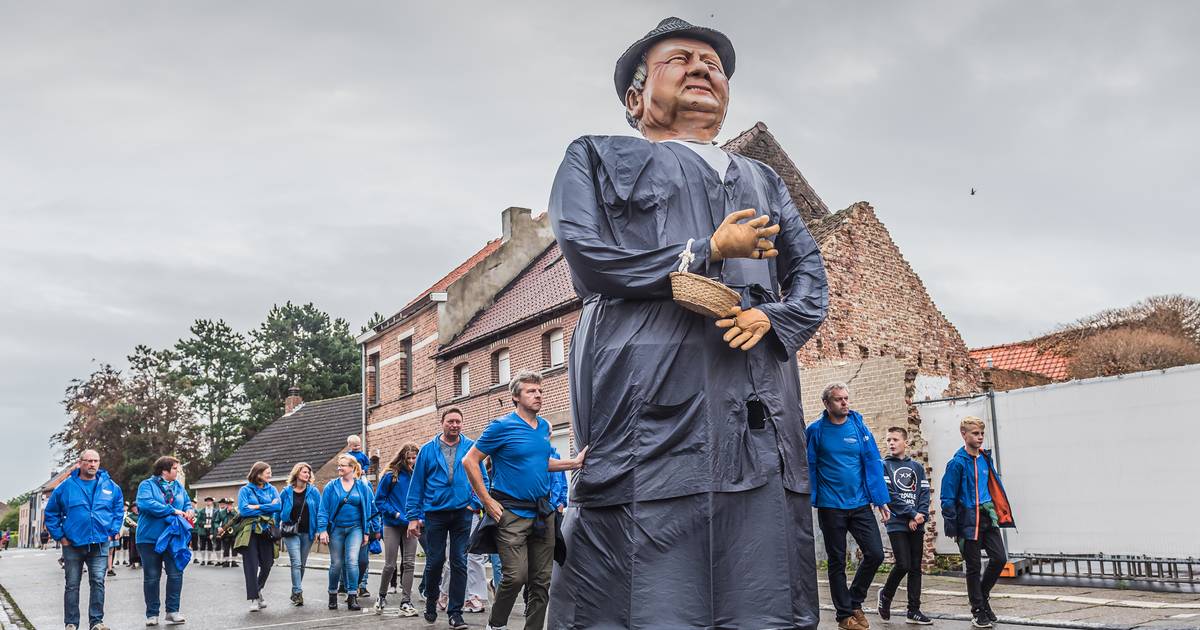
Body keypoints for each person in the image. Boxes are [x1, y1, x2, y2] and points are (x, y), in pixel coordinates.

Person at [545, 16, 828, 630]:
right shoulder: (594, 156)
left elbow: (811, 276)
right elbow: (589, 261)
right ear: (635, 97)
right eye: (681, 58)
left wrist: (774, 318)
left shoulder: (763, 179)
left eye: (715, 62)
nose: (704, 67)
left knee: (764, 589)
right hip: (645, 421)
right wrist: (705, 251)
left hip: (757, 425)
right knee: (639, 594)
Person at [464, 372, 586, 630]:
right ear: (515, 397)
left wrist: (573, 463)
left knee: (541, 582)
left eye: (540, 391)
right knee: (515, 576)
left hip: (543, 515)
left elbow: (541, 462)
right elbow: (470, 460)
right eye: (531, 391)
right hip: (511, 514)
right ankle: (496, 625)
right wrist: (486, 501)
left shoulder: (543, 427)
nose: (538, 395)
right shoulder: (501, 426)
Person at [807, 383, 891, 630]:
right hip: (830, 506)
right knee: (836, 561)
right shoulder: (815, 431)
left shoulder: (859, 427)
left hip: (860, 504)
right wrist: (807, 498)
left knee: (875, 553)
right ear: (827, 404)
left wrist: (880, 499)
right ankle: (844, 616)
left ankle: (854, 600)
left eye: (846, 398)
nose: (844, 403)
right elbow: (805, 465)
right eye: (838, 400)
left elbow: (873, 463)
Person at [405, 408, 490, 630]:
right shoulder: (427, 450)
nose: (454, 425)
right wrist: (413, 516)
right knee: (435, 562)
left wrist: (476, 504)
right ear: (442, 423)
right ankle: (432, 601)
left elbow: (483, 478)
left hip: (463, 512)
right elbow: (417, 485)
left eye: (458, 422)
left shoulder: (471, 447)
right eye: (450, 421)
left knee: (460, 561)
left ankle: (455, 613)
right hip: (435, 513)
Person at [941, 416, 1015, 629]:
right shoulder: (956, 463)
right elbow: (947, 497)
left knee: (1000, 558)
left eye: (982, 433)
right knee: (973, 567)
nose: (980, 437)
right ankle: (978, 610)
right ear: (964, 434)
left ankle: (982, 596)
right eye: (975, 433)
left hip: (987, 516)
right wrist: (952, 526)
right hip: (967, 520)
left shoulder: (985, 458)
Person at [43, 449, 124, 630]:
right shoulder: (66, 487)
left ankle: (96, 621)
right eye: (89, 461)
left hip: (100, 542)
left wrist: (113, 530)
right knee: (72, 584)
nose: (93, 464)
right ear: (80, 463)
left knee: (98, 582)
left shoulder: (110, 486)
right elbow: (51, 513)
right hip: (73, 543)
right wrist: (60, 537)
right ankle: (71, 623)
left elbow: (118, 510)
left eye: (96, 461)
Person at [877, 426, 932, 625]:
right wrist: (911, 513)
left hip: (916, 522)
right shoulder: (883, 465)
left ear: (905, 443)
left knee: (916, 566)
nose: (891, 443)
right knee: (903, 564)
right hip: (896, 522)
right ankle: (886, 595)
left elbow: (924, 493)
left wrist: (920, 515)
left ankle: (913, 610)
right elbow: (889, 495)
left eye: (895, 439)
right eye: (888, 439)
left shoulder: (917, 467)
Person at [136, 455, 193, 626]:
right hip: (149, 538)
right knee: (152, 576)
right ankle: (152, 614)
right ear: (164, 470)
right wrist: (172, 510)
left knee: (176, 573)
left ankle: (173, 611)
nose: (178, 471)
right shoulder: (147, 485)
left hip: (174, 537)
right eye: (175, 468)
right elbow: (146, 504)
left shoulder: (179, 487)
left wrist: (189, 510)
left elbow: (187, 503)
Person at [317, 454, 374, 612]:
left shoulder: (362, 486)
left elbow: (368, 510)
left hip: (355, 528)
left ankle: (352, 596)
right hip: (336, 529)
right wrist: (322, 530)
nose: (339, 468)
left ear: (352, 467)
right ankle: (333, 594)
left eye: (343, 465)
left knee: (352, 561)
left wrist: (367, 531)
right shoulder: (331, 486)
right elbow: (323, 510)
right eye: (339, 465)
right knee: (336, 564)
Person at [374, 443, 421, 617]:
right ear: (402, 457)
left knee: (409, 564)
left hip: (411, 524)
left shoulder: (419, 476)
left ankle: (406, 601)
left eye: (414, 457)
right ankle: (381, 596)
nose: (411, 461)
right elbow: (379, 501)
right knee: (390, 564)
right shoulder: (390, 476)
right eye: (408, 457)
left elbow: (423, 499)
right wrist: (395, 514)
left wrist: (420, 518)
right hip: (392, 524)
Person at [236, 461, 281, 612]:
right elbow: (243, 511)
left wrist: (256, 507)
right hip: (250, 532)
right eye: (268, 472)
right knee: (251, 566)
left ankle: (258, 589)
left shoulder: (272, 489)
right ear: (258, 474)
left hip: (266, 531)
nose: (270, 474)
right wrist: (266, 508)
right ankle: (254, 598)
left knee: (267, 564)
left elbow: (277, 507)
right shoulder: (245, 490)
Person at [281, 462, 321, 607]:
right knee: (296, 562)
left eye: (309, 473)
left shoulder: (314, 492)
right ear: (297, 473)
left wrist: (319, 529)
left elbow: (319, 511)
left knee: (302, 565)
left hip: (307, 532)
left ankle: (294, 590)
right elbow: (277, 510)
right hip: (290, 532)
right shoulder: (286, 492)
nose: (307, 475)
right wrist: (273, 529)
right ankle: (298, 592)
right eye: (304, 472)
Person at [213, 498, 238, 568]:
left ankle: (234, 562)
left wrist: (232, 512)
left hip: (234, 533)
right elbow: (216, 522)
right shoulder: (221, 513)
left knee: (234, 548)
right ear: (226, 505)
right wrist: (218, 527)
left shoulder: (235, 513)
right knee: (226, 548)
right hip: (225, 533)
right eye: (228, 504)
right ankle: (226, 562)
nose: (230, 505)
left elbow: (239, 522)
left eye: (231, 504)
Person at [193, 498, 217, 566]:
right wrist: (204, 524)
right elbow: (198, 521)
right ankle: (203, 560)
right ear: (205, 502)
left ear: (212, 502)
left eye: (210, 501)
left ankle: (209, 560)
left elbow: (216, 520)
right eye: (207, 501)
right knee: (202, 545)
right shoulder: (201, 511)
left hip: (211, 530)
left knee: (210, 546)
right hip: (203, 530)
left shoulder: (215, 511)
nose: (208, 502)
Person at [124, 504, 141, 569]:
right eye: (133, 508)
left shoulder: (141, 515)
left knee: (139, 548)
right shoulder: (129, 516)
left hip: (140, 534)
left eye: (135, 507)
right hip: (132, 534)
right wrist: (130, 525)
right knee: (132, 548)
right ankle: (132, 562)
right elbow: (125, 523)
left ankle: (141, 562)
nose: (134, 509)